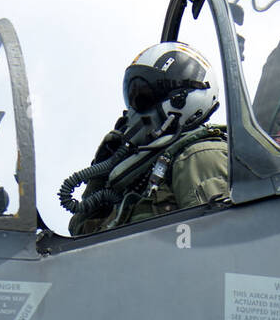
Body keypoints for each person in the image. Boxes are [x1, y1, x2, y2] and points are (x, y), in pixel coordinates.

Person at [60, 43, 228, 237]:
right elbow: (82, 237)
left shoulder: (199, 158)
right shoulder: (142, 176)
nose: (132, 112)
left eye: (142, 97)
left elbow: (217, 245)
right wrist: (100, 177)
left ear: (180, 100)